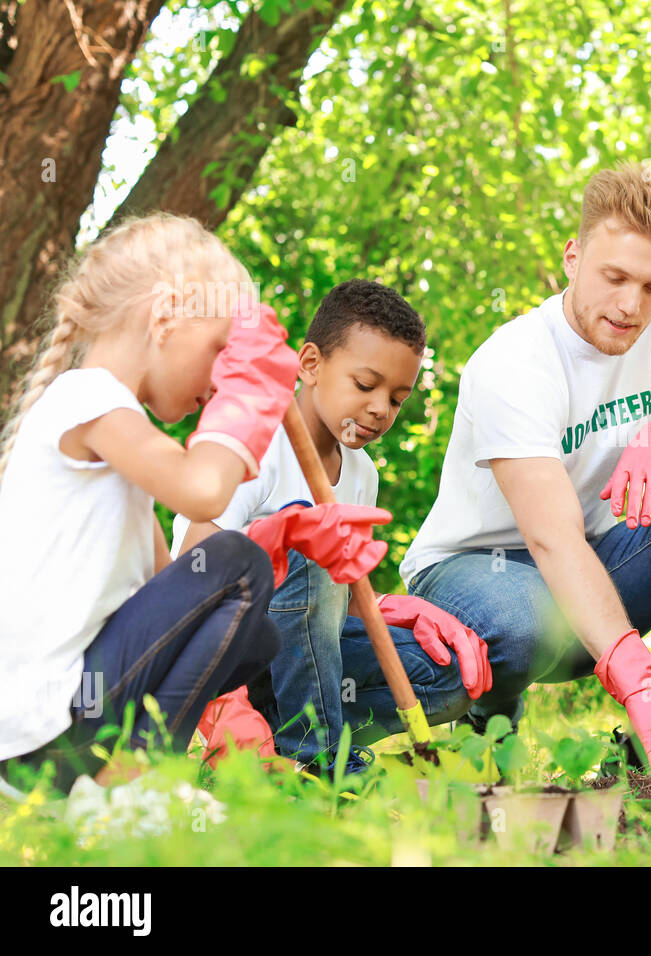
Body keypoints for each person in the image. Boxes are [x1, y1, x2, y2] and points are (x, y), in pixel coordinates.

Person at [399, 162, 651, 776]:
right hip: (479, 574)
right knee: (521, 616)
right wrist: (636, 682)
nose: (632, 306)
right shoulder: (514, 361)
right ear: (573, 257)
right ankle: (484, 732)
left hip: (595, 565)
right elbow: (549, 535)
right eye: (615, 276)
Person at [0, 214, 386, 794]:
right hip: (40, 732)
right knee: (239, 564)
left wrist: (283, 535)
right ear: (164, 318)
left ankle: (128, 778)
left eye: (234, 361)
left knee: (259, 635)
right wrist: (250, 389)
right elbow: (203, 492)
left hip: (72, 722)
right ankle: (131, 780)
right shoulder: (87, 396)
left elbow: (179, 590)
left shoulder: (113, 434)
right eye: (219, 351)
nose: (219, 378)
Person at [174, 280, 490, 776]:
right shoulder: (253, 444)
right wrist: (223, 705)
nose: (380, 408)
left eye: (397, 398)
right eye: (365, 385)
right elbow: (191, 575)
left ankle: (297, 741)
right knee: (310, 541)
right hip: (226, 657)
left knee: (448, 670)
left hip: (303, 663)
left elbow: (333, 600)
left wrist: (386, 607)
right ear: (310, 364)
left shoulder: (362, 473)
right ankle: (317, 761)